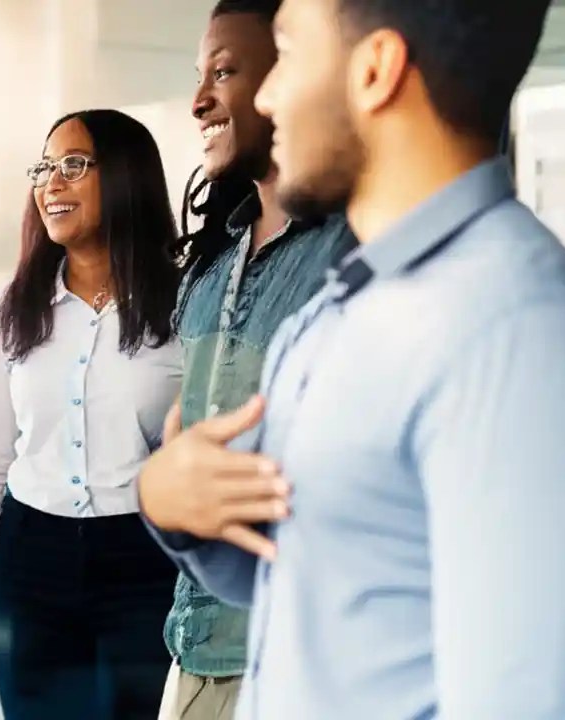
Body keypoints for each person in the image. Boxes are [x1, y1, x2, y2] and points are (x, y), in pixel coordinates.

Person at [141, 0, 565, 717]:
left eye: (289, 54)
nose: (270, 96)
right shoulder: (340, 308)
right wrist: (172, 502)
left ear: (375, 72)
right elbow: (320, 571)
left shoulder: (515, 329)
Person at [154, 2, 357, 717]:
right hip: (193, 645)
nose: (199, 100)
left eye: (225, 71)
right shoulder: (208, 267)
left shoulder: (351, 254)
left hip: (296, 658)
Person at [0, 109, 182, 719]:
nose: (52, 183)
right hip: (31, 560)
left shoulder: (184, 299)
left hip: (146, 561)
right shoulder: (11, 306)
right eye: (45, 168)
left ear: (126, 176)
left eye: (74, 165)